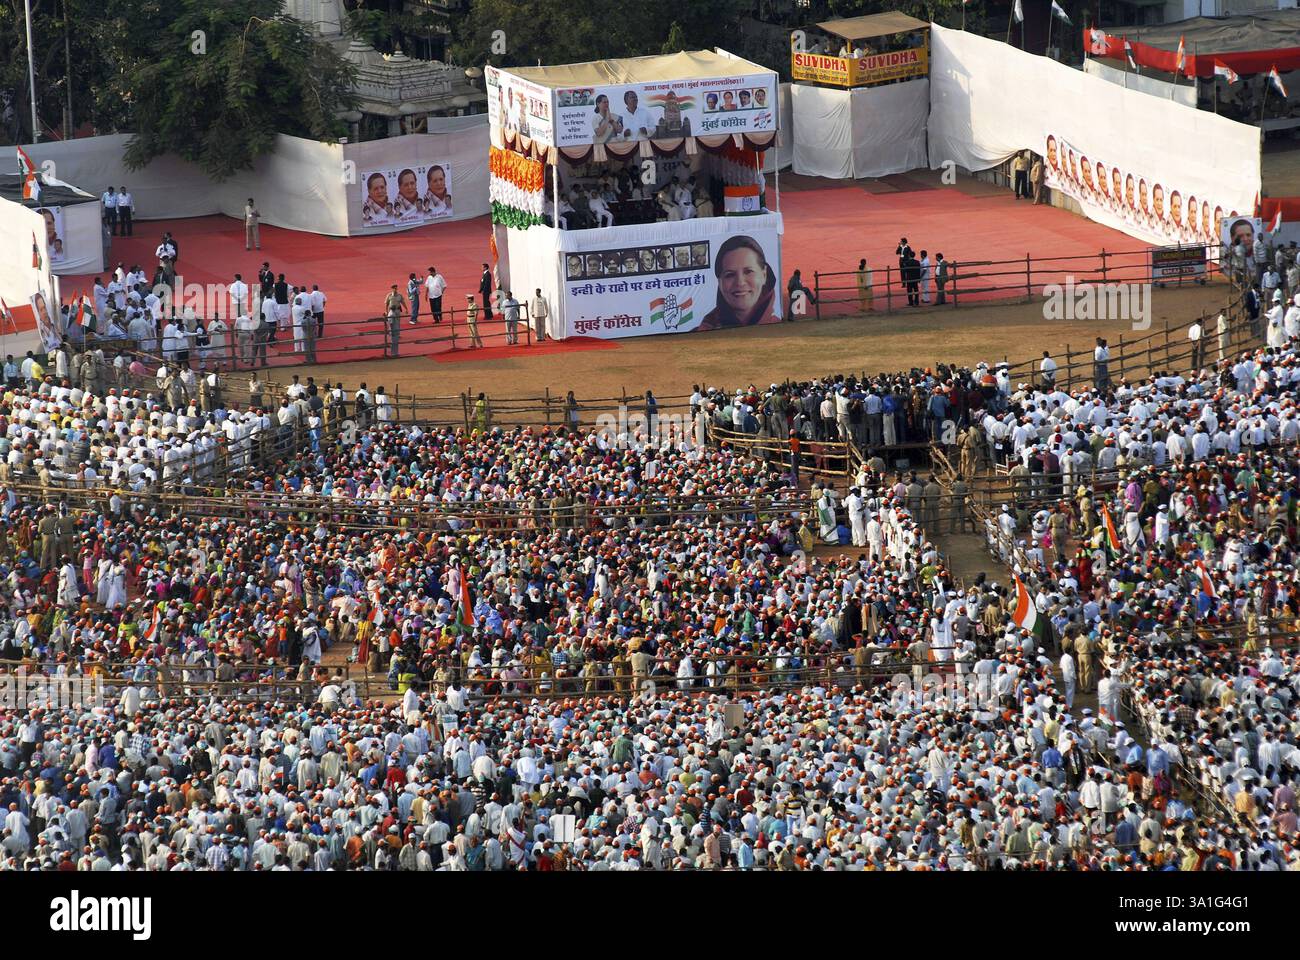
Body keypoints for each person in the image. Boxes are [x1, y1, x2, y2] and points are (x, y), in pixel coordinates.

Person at [693, 237, 779, 330]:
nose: (740, 282)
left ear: (764, 275)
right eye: (730, 275)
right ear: (719, 281)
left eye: (748, 271)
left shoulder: (779, 330)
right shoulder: (699, 334)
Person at [384, 284, 405, 358]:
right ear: (392, 289)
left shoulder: (399, 295)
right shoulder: (389, 295)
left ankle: (396, 333)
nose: (396, 290)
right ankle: (392, 332)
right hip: (391, 311)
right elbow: (386, 304)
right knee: (391, 323)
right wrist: (386, 311)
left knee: (397, 322)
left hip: (397, 310)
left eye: (396, 288)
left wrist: (406, 308)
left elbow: (402, 302)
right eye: (394, 289)